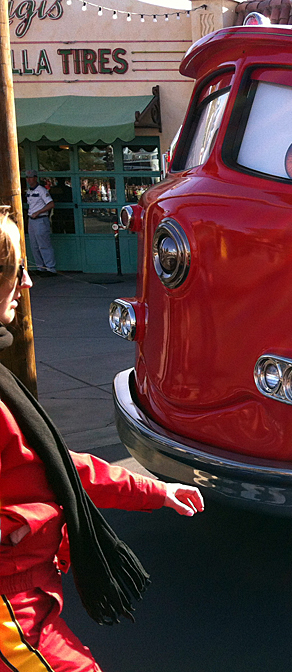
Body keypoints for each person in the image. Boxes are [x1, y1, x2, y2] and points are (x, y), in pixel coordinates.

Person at [0, 207, 205, 670]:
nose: (28, 284)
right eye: (18, 271)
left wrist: (157, 490)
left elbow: (58, 467)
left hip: (27, 591)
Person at [24, 169, 56, 275]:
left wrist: (38, 212)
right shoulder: (29, 191)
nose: (29, 179)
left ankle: (50, 268)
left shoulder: (42, 190)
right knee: (34, 245)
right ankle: (40, 267)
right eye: (27, 177)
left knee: (44, 244)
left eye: (31, 177)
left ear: (35, 178)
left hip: (40, 219)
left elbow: (51, 204)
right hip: (31, 220)